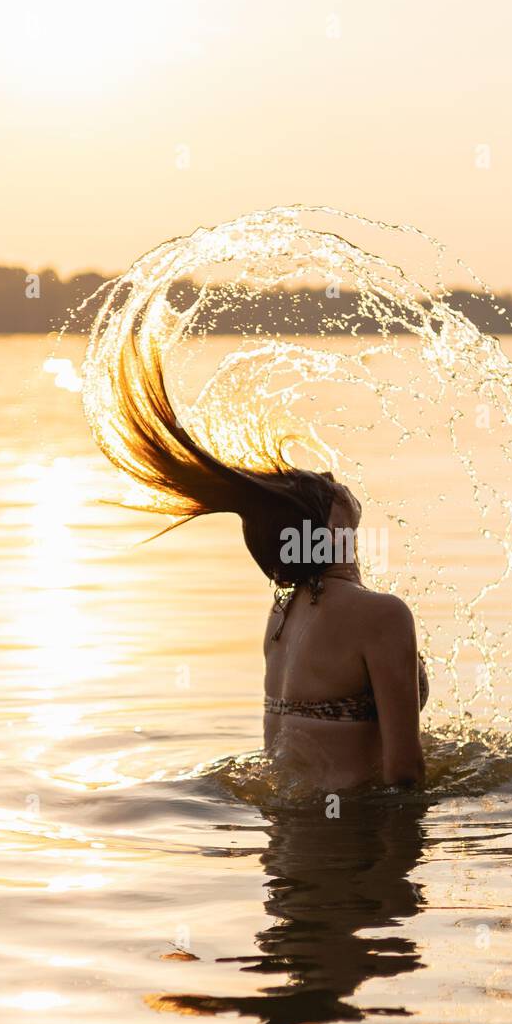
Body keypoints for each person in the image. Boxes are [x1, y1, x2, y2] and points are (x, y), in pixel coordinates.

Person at [99, 334, 427, 790]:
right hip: (352, 846)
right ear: (329, 531)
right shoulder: (381, 615)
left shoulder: (284, 613)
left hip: (289, 848)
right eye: (327, 490)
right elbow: (404, 774)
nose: (334, 480)